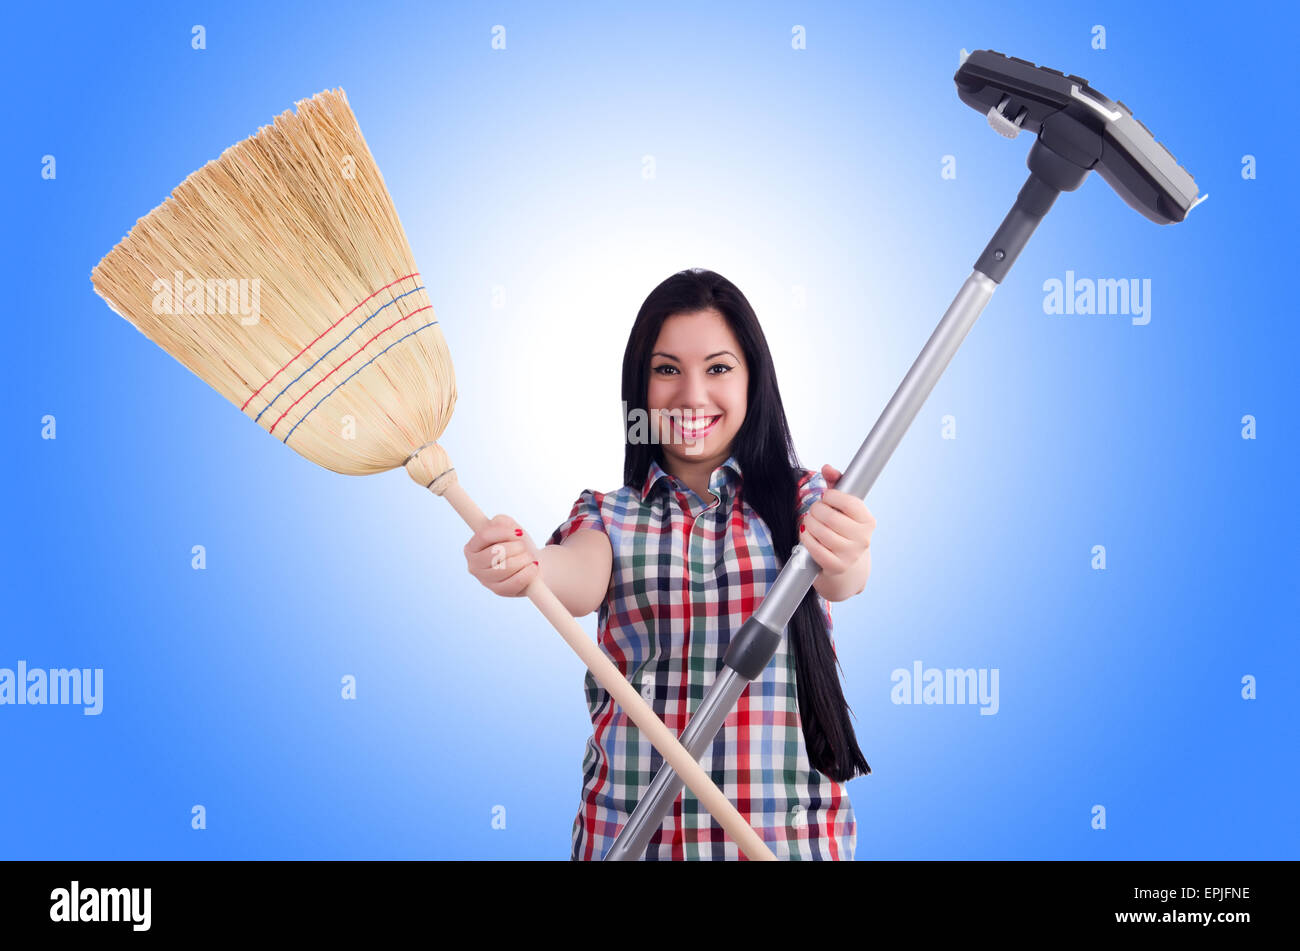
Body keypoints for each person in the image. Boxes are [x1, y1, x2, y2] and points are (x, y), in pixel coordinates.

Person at [463, 268, 876, 860]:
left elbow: (845, 574)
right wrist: (524, 562)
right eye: (667, 370)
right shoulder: (609, 517)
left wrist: (848, 542)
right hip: (633, 841)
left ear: (753, 381)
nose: (691, 396)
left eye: (718, 368)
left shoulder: (802, 499)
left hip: (790, 843)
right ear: (641, 388)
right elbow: (571, 579)